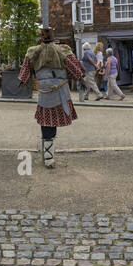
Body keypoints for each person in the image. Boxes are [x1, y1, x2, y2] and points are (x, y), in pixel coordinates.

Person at [20, 26, 77, 169]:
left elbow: (24, 74)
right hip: (58, 92)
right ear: (53, 36)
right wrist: (78, 76)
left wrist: (23, 80)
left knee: (47, 124)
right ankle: (48, 157)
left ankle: (48, 157)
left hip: (48, 92)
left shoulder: (33, 52)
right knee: (49, 124)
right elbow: (77, 70)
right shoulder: (63, 50)